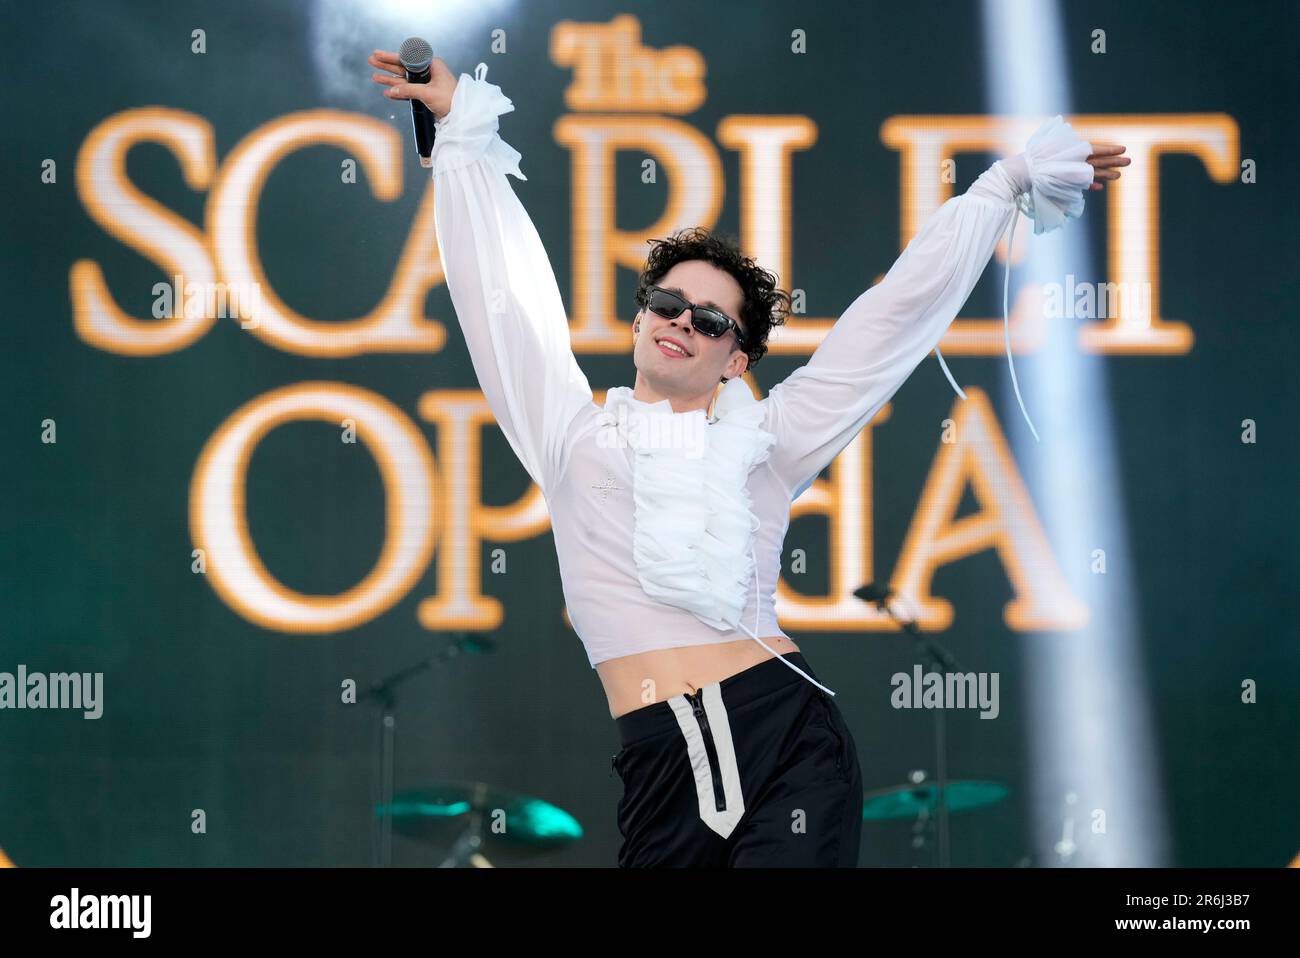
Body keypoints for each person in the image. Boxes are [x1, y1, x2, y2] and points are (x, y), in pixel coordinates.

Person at [368, 51, 1128, 867]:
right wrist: (462, 138)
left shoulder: (768, 442)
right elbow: (503, 300)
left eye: (709, 321)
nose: (681, 323)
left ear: (735, 360)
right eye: (667, 304)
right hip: (659, 764)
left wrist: (1003, 184)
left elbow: (890, 318)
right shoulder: (571, 435)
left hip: (786, 745)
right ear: (637, 320)